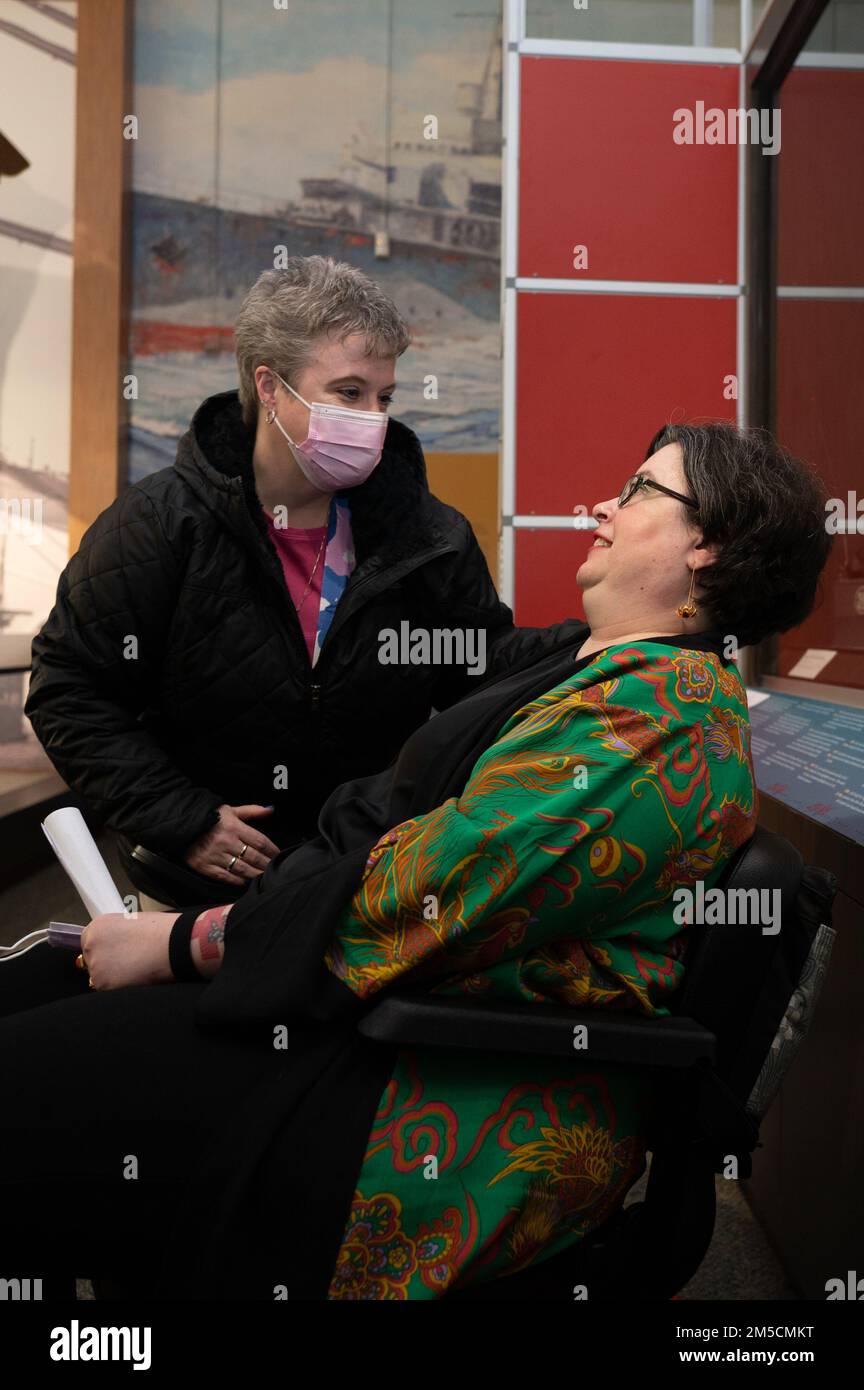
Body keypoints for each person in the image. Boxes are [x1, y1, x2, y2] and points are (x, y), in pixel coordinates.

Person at [0, 421, 831, 1300]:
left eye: (637, 492)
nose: (604, 508)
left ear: (711, 543)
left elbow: (425, 896)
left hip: (437, 1088)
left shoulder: (656, 717)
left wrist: (183, 945)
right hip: (389, 1015)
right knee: (33, 1004)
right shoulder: (618, 676)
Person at [25, 256, 581, 911]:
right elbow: (70, 691)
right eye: (349, 393)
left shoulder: (428, 537)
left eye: (384, 397)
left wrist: (611, 639)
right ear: (270, 387)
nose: (373, 419)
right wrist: (182, 818)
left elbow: (481, 672)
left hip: (360, 892)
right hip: (194, 889)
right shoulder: (160, 524)